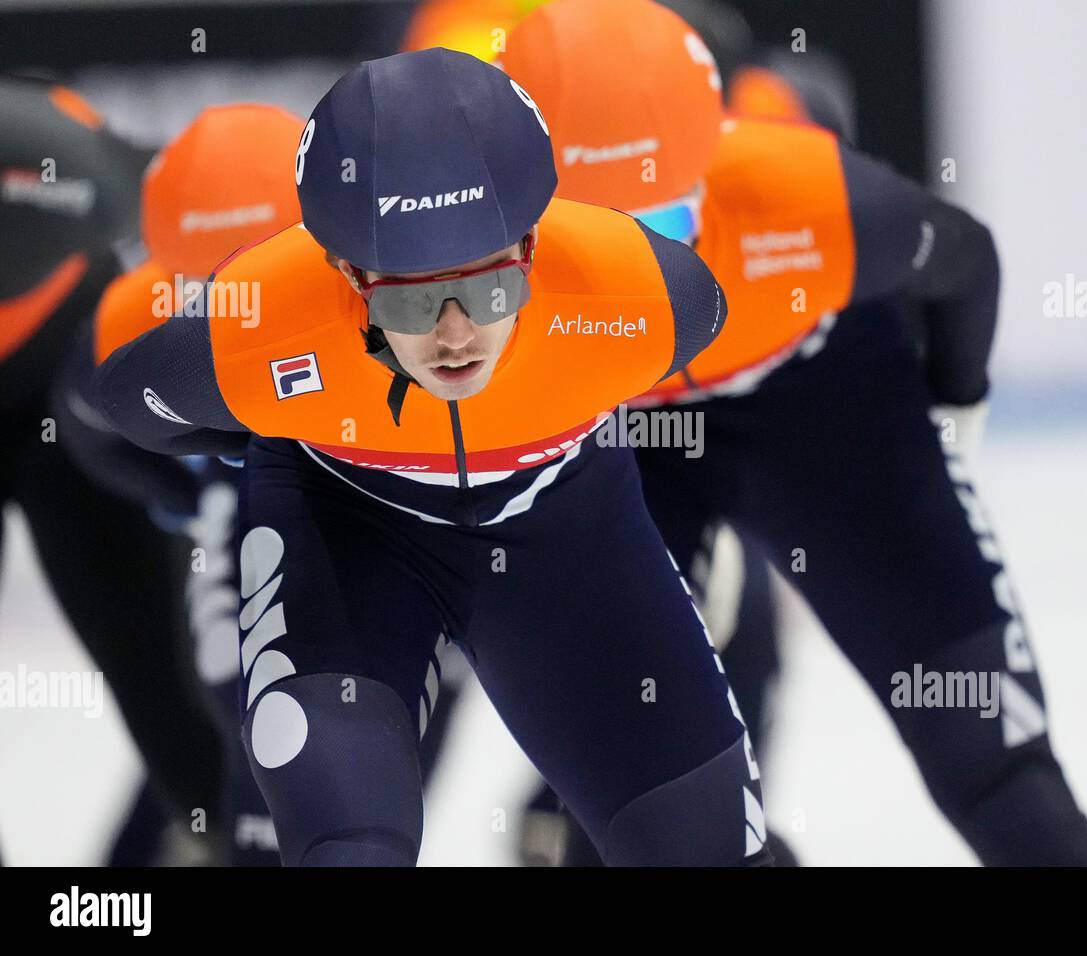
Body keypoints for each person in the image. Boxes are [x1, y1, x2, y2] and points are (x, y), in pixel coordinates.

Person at [92, 48, 769, 867]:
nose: (454, 335)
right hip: (348, 535)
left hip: (567, 535)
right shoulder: (255, 326)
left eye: (490, 293)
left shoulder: (648, 293)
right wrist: (253, 453)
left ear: (530, 251)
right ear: (346, 272)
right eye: (412, 299)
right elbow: (120, 408)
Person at [499, 0, 1087, 866]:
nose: (648, 270)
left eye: (670, 224)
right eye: (598, 236)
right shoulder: (467, 255)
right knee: (624, 818)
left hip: (824, 410)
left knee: (991, 765)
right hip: (621, 432)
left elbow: (966, 259)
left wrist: (954, 407)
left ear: (711, 164)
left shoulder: (806, 195)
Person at [56, 103, 308, 866]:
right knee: (246, 703)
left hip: (377, 515)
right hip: (244, 515)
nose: (233, 309)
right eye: (206, 288)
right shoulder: (127, 322)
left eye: (261, 278)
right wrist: (190, 498)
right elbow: (84, 425)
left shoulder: (392, 297)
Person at [0, 75, 228, 863]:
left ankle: (230, 838)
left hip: (63, 384)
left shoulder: (51, 150)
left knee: (167, 683)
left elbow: (179, 187)